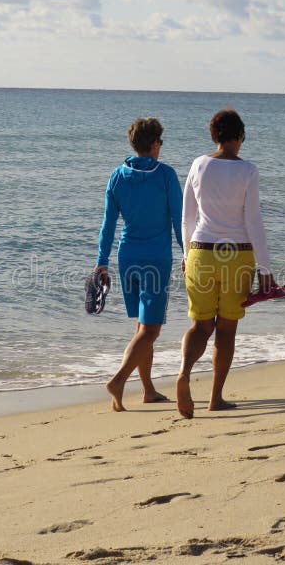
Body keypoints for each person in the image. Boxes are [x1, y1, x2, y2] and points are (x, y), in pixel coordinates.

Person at [177, 109, 276, 418]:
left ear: (213, 136)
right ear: (240, 137)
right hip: (237, 255)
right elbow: (253, 220)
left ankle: (183, 374)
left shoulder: (198, 164)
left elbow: (187, 216)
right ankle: (215, 398)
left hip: (201, 251)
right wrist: (265, 268)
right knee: (226, 330)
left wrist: (186, 254)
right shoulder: (248, 171)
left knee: (200, 324)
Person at [95, 117, 184, 412]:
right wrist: (188, 254)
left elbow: (108, 224)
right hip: (155, 260)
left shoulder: (117, 176)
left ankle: (148, 390)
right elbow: (178, 221)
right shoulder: (166, 175)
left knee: (142, 326)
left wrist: (101, 262)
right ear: (155, 143)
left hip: (127, 257)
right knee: (151, 329)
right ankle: (118, 380)